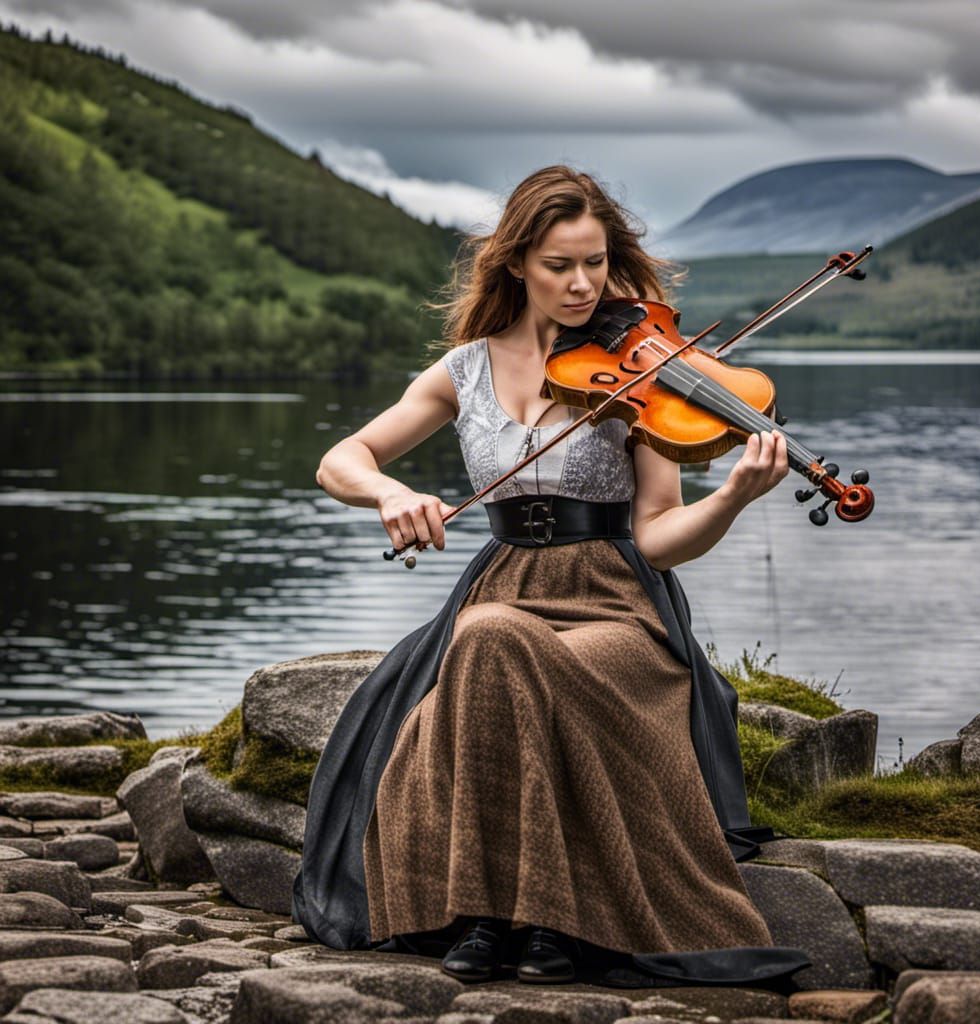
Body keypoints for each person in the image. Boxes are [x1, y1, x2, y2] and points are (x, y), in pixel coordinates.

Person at [292, 165, 812, 990]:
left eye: (595, 264)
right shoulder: (467, 371)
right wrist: (392, 492)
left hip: (617, 606)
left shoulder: (647, 371)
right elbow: (340, 460)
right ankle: (510, 918)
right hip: (499, 590)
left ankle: (527, 918)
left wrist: (738, 497)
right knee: (493, 638)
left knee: (497, 647)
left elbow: (662, 537)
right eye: (559, 265)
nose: (582, 284)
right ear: (516, 267)